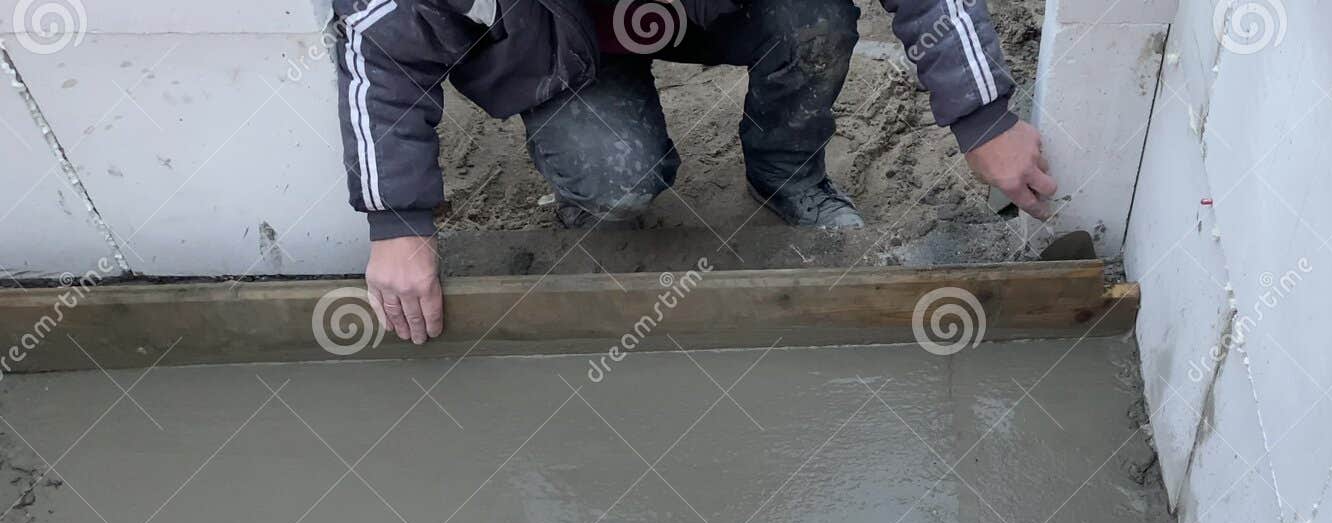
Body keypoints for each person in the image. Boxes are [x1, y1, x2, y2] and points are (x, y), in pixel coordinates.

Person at [333, 0, 1057, 343]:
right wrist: (398, 224)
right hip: (568, 42)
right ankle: (598, 196)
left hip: (718, 8)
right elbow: (379, 36)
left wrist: (983, 116)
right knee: (616, 179)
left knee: (814, 21)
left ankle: (786, 171)